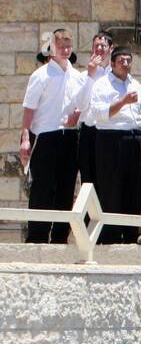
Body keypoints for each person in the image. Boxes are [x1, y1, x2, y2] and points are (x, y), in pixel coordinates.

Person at [19, 28, 81, 243]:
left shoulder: (76, 76)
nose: (64, 50)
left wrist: (77, 114)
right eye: (60, 46)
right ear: (52, 48)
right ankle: (36, 237)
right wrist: (25, 137)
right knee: (42, 187)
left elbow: (83, 102)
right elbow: (29, 108)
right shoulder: (41, 74)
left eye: (68, 46)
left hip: (70, 136)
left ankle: (59, 237)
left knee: (66, 187)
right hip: (45, 136)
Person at [87, 46, 141, 245]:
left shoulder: (135, 84)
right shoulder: (102, 85)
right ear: (112, 64)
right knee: (111, 187)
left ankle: (130, 234)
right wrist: (123, 101)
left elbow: (137, 114)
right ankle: (110, 236)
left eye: (129, 60)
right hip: (110, 139)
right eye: (122, 61)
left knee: (133, 188)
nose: (126, 64)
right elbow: (99, 113)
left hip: (133, 138)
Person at [73, 31, 113, 203]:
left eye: (103, 46)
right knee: (88, 179)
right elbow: (80, 106)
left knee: (108, 178)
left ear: (111, 49)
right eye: (96, 46)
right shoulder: (83, 76)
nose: (99, 49)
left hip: (108, 132)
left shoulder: (116, 76)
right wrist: (90, 74)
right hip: (89, 131)